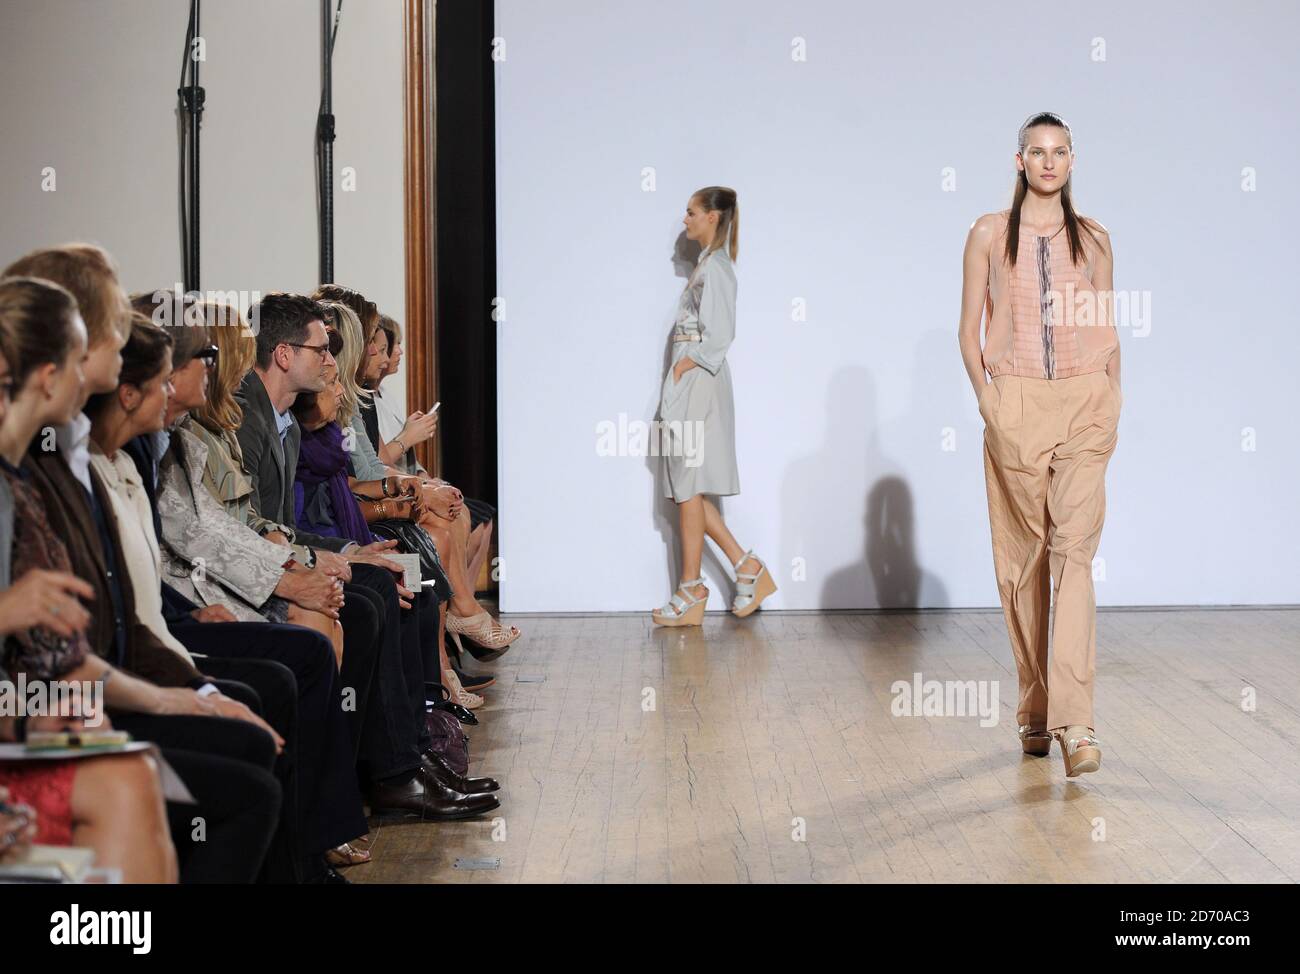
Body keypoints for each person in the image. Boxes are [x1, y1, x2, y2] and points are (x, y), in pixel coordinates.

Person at [0, 273, 280, 881]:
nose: (91, 380)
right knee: (147, 783)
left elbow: (65, 650)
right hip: (41, 716)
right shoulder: (43, 476)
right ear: (49, 376)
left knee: (191, 766)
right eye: (85, 357)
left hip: (58, 705)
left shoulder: (38, 475)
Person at [236, 292, 500, 819]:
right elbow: (265, 527)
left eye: (336, 350)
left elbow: (281, 523)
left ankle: (411, 745)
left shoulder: (285, 421)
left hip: (309, 547)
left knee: (404, 579)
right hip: (269, 569)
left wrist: (355, 545)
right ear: (284, 354)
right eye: (323, 350)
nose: (335, 362)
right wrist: (347, 550)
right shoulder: (260, 419)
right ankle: (389, 769)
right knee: (378, 590)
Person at [958, 111, 1120, 778]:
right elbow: (969, 328)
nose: (1048, 162)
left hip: (1085, 401)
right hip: (1017, 402)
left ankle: (1076, 723)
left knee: (1073, 554)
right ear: (1019, 161)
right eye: (1037, 151)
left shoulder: (1097, 240)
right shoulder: (989, 235)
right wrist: (989, 399)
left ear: (1073, 160)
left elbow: (1106, 328)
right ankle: (1035, 704)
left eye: (1059, 151)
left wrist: (1113, 396)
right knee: (1022, 564)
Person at [652, 186, 776, 627]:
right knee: (688, 485)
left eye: (690, 212)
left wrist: (687, 366)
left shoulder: (718, 269)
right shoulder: (708, 266)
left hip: (698, 383)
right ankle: (741, 568)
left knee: (687, 484)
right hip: (691, 383)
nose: (684, 220)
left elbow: (720, 335)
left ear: (712, 217)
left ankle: (692, 588)